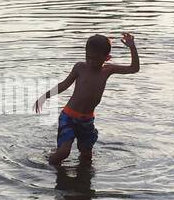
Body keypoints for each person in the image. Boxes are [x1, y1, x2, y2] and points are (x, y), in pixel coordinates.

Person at [33, 32, 140, 164]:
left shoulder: (108, 70)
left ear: (107, 58)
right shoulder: (80, 67)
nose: (90, 61)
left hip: (87, 120)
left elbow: (134, 68)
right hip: (69, 117)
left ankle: (82, 179)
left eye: (95, 59)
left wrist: (132, 47)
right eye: (88, 57)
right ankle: (47, 166)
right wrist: (45, 96)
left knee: (86, 156)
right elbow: (64, 84)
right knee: (63, 152)